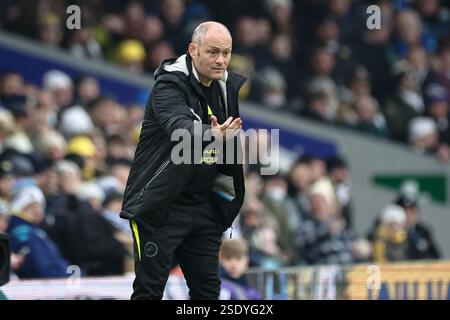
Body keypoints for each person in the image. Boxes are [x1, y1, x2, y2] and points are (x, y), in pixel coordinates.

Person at [120, 21, 246, 300]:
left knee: (208, 292)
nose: (221, 60)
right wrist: (211, 133)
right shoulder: (167, 86)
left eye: (226, 53)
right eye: (213, 52)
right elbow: (180, 127)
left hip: (203, 209)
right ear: (193, 50)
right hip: (159, 206)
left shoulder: (225, 88)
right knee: (149, 291)